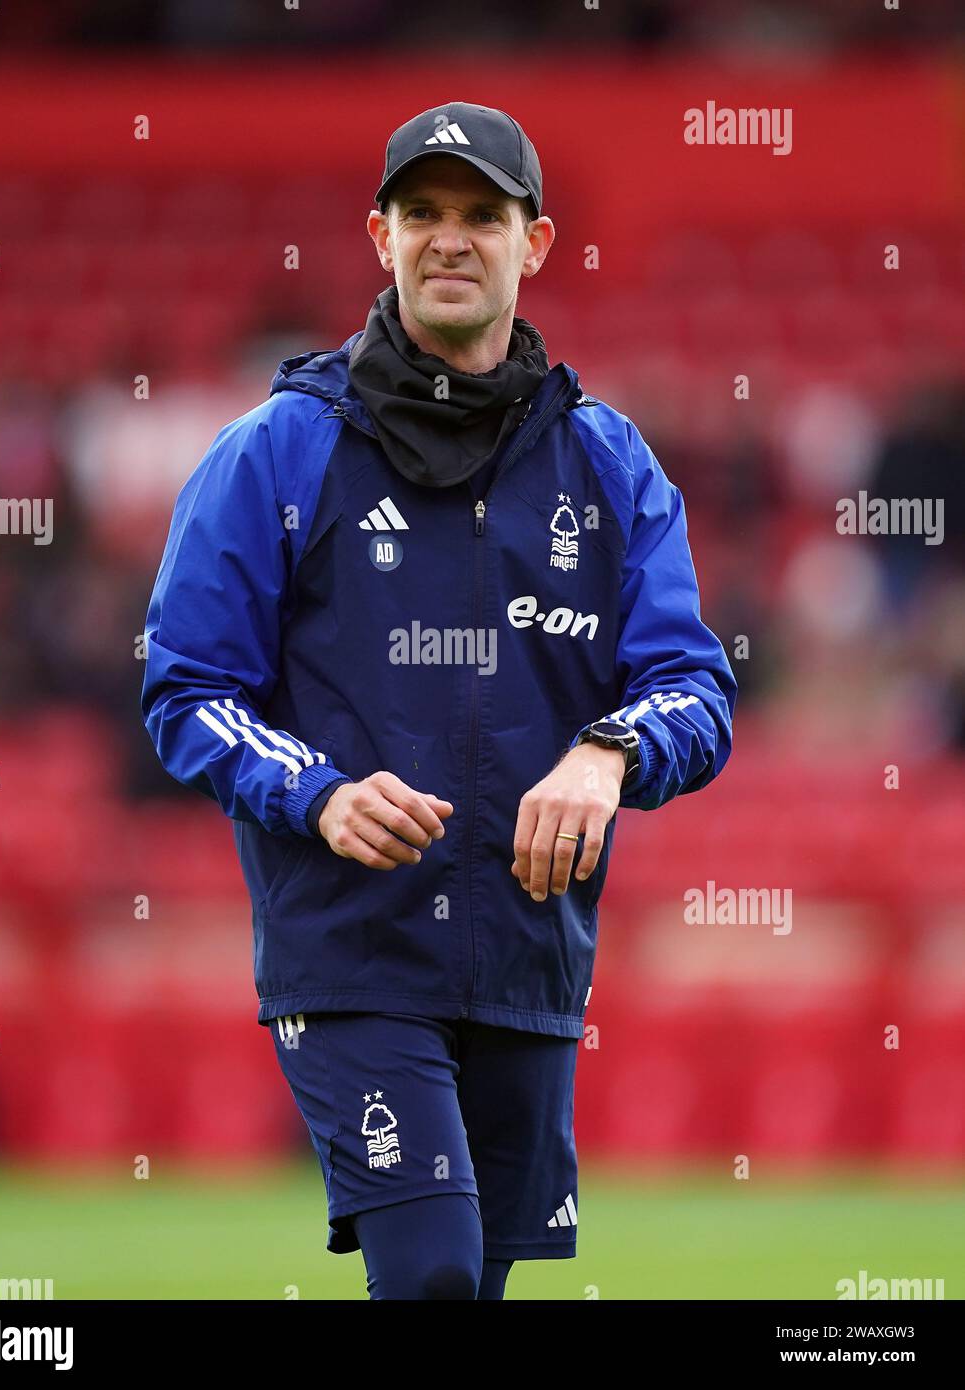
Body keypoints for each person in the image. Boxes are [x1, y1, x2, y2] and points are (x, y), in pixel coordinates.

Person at [141, 101, 736, 1300]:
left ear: (537, 242)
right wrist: (312, 793)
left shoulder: (609, 462)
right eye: (422, 213)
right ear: (379, 235)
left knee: (473, 1286)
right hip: (351, 954)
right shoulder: (273, 451)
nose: (449, 239)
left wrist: (605, 754)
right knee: (433, 1282)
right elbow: (186, 689)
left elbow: (694, 690)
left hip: (528, 960)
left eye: (481, 215)